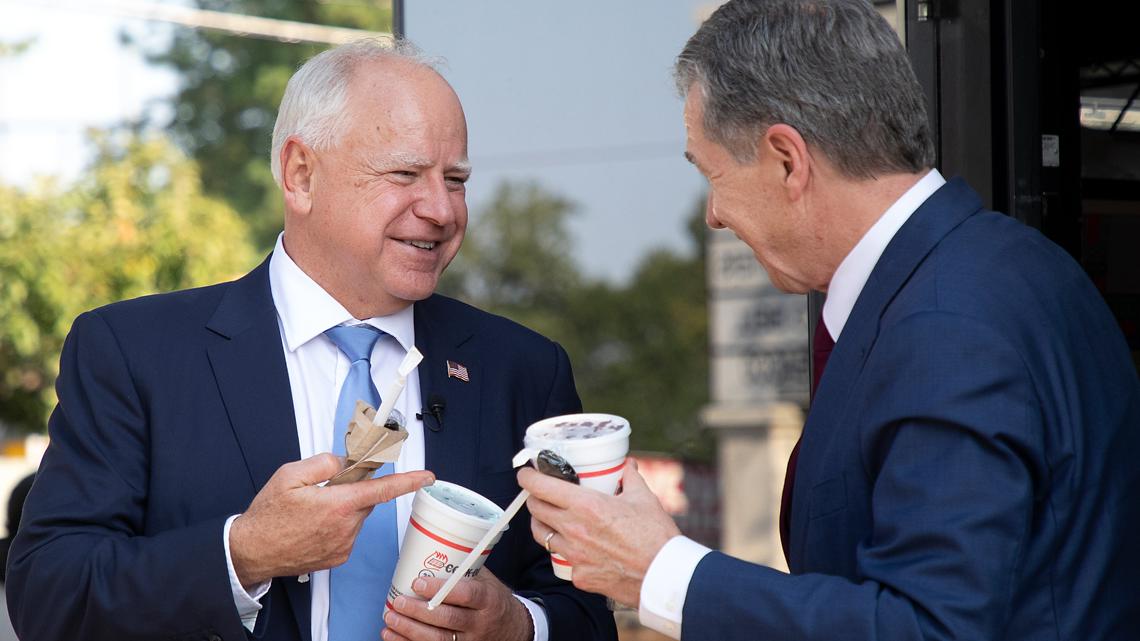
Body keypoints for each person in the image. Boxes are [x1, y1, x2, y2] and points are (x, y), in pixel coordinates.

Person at [519, 1, 1140, 640]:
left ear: (788, 159)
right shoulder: (1007, 267)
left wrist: (660, 572)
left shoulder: (944, 327)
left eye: (713, 175)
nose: (713, 214)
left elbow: (928, 628)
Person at [6, 40, 616, 641]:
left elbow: (587, 613)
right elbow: (49, 597)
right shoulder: (134, 353)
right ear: (300, 175)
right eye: (405, 173)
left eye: (455, 180)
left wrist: (518, 626)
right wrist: (242, 554)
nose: (440, 209)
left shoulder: (522, 370)